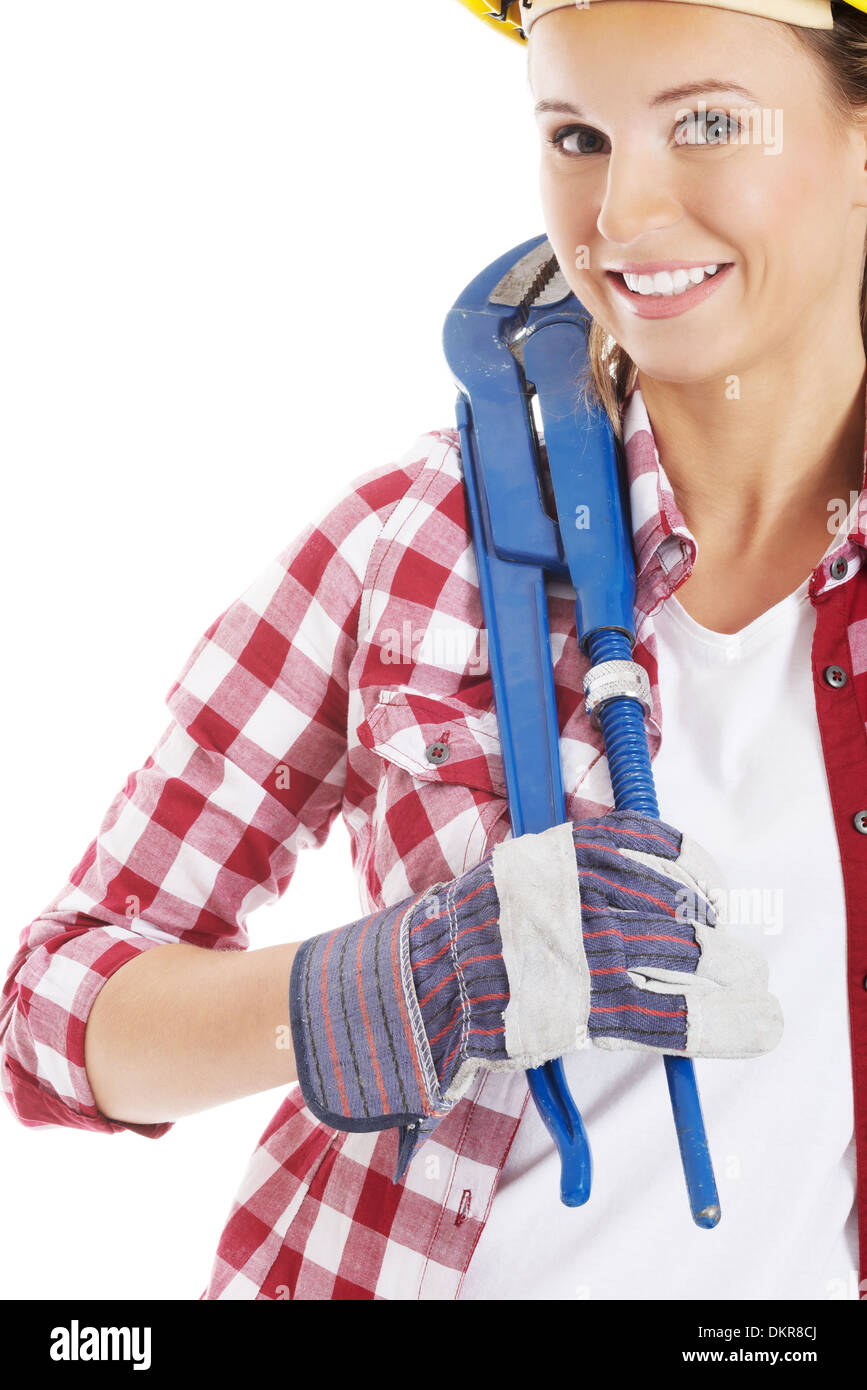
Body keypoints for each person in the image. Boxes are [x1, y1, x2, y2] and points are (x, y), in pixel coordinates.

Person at [1, 0, 865, 1301]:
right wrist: (401, 979)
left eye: (706, 123)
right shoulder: (416, 545)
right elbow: (55, 1014)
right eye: (577, 134)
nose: (623, 213)